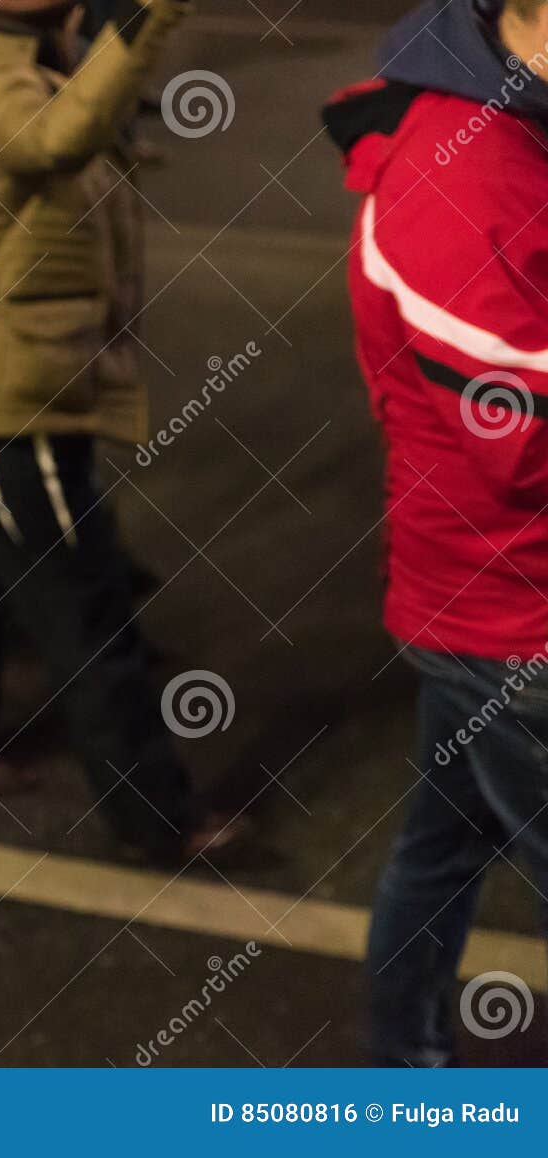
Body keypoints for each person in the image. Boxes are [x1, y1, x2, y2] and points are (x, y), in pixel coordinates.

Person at [0, 0, 242, 863]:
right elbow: (56, 138)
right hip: (13, 402)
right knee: (86, 610)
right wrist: (150, 20)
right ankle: (156, 817)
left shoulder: (27, 54)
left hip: (18, 382)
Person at [325, 0, 548, 1067]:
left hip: (481, 599)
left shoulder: (508, 121)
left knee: (443, 844)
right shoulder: (467, 173)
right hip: (511, 614)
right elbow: (520, 442)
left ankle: (399, 1075)